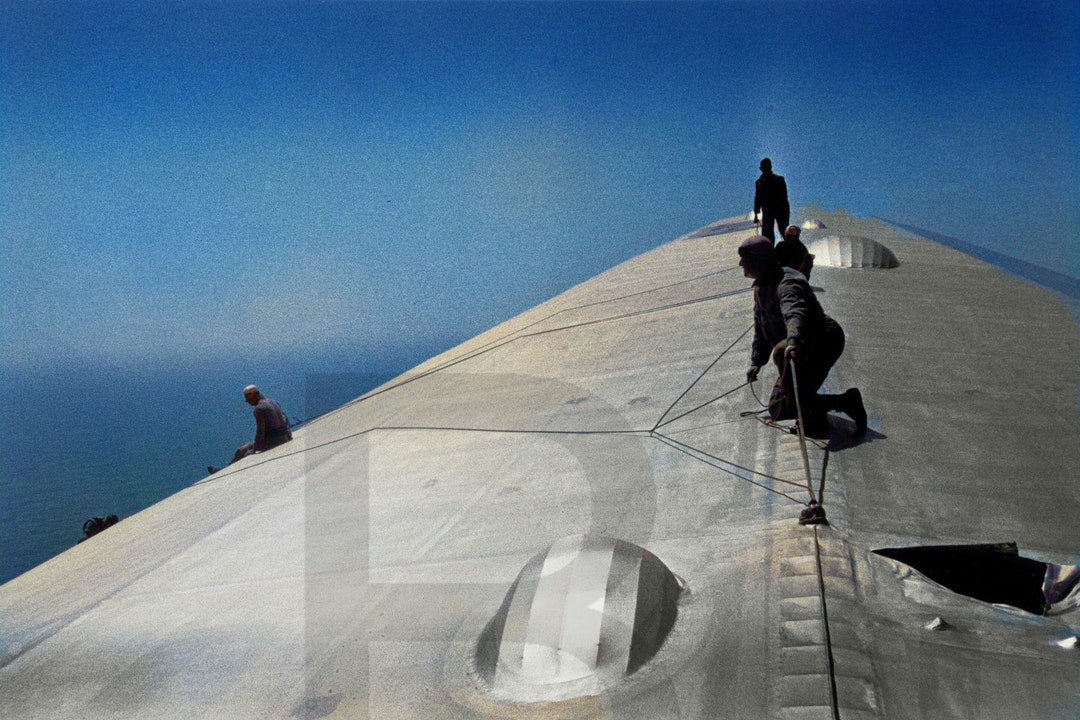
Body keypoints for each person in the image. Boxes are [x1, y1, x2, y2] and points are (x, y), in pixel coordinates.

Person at [739, 235, 867, 435]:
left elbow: (795, 312)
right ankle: (843, 402)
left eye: (744, 260)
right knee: (778, 408)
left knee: (784, 359)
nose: (741, 264)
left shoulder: (787, 284)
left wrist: (792, 341)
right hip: (800, 345)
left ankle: (814, 421)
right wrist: (757, 361)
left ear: (759, 262)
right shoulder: (761, 287)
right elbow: (761, 327)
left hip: (821, 342)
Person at [208, 385, 293, 473]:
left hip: (275, 440)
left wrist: (255, 449)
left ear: (252, 395)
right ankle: (225, 468)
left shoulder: (259, 409)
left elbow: (260, 432)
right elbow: (285, 419)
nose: (247, 401)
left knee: (245, 453)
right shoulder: (273, 402)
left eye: (247, 398)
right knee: (242, 449)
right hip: (284, 436)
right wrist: (288, 435)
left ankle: (225, 470)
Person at [753, 158, 790, 242]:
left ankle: (788, 249)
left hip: (779, 209)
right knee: (768, 233)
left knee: (783, 231)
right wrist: (756, 213)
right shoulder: (759, 183)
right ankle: (770, 251)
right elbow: (757, 198)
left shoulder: (779, 180)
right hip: (771, 210)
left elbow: (784, 196)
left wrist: (756, 213)